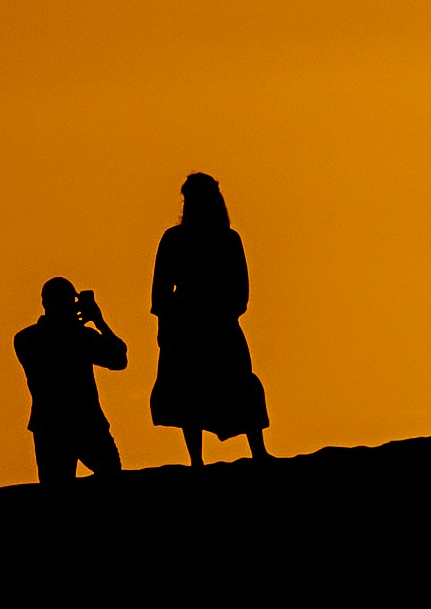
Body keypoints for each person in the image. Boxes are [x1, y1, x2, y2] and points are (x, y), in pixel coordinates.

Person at [150, 171, 272, 468]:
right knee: (190, 390)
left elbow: (241, 290)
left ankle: (254, 453)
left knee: (236, 384)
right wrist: (167, 325)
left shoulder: (226, 239)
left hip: (215, 322)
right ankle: (198, 460)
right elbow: (161, 291)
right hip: (192, 323)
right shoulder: (179, 239)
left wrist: (226, 312)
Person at [15, 275, 128, 486]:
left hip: (51, 426)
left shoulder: (25, 338)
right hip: (85, 423)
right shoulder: (79, 337)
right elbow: (119, 358)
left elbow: (119, 360)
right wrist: (99, 321)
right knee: (112, 481)